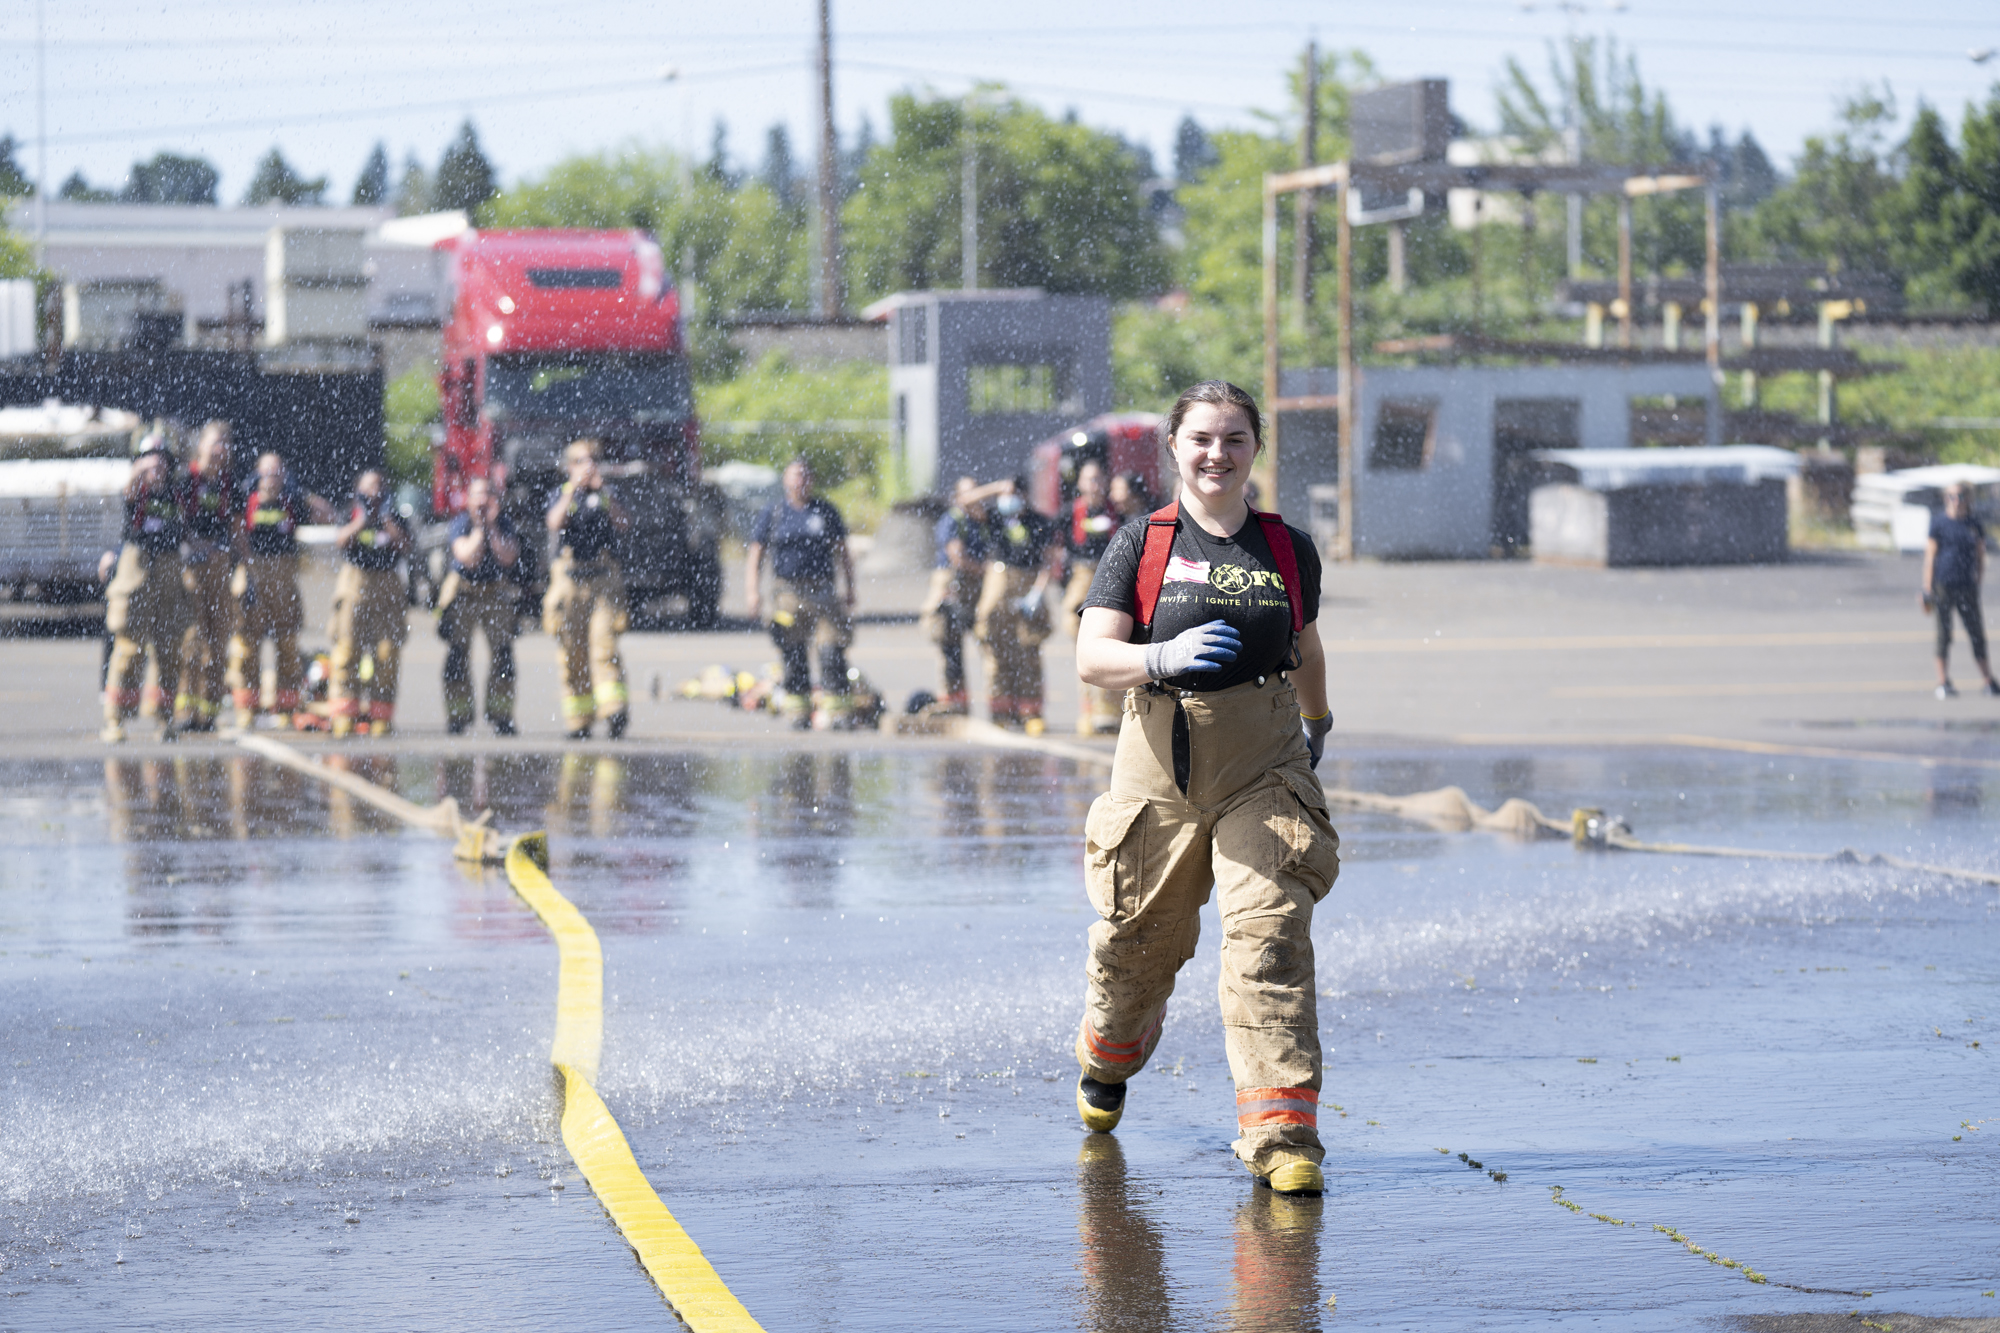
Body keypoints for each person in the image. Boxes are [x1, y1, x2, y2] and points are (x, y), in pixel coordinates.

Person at [1071, 379, 1338, 1199]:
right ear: (1175, 448)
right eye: (1201, 439)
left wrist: (1318, 721)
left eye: (1234, 438)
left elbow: (1306, 644)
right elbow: (1090, 654)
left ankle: (1281, 1133)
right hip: (1158, 761)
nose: (1217, 453)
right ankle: (1109, 1051)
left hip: (1264, 764)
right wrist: (1159, 656)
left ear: (1256, 448)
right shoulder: (1140, 543)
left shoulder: (1288, 547)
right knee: (1139, 940)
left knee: (1268, 933)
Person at [746, 456, 857, 727]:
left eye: (805, 475)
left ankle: (838, 711)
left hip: (823, 591)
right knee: (793, 652)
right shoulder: (774, 513)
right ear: (785, 481)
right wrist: (753, 591)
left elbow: (843, 552)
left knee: (831, 650)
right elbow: (756, 553)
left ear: (812, 480)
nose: (800, 481)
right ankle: (798, 710)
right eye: (795, 475)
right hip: (788, 593)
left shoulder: (825, 511)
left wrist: (850, 586)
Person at [226, 452, 330, 731]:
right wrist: (248, 569)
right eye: (267, 473)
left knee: (287, 642)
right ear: (257, 474)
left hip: (284, 573)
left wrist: (306, 496)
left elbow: (325, 513)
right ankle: (246, 710)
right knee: (247, 644)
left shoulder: (292, 500)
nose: (272, 479)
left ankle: (285, 707)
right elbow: (236, 532)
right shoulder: (244, 497)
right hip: (254, 570)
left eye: (277, 473)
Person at [102, 437, 190, 743]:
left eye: (162, 458)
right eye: (150, 457)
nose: (157, 464)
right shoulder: (135, 490)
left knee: (168, 648)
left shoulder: (177, 492)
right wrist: (142, 467)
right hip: (137, 565)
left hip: (169, 567)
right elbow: (126, 490)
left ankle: (164, 719)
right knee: (129, 647)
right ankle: (115, 719)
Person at [543, 440, 631, 739]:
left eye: (593, 459)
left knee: (603, 644)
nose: (589, 465)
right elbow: (554, 522)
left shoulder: (605, 494)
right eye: (581, 460)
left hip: (602, 578)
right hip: (570, 578)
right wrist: (573, 490)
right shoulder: (562, 493)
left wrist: (602, 491)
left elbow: (622, 523)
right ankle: (580, 720)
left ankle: (615, 710)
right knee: (572, 651)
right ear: (570, 466)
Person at [327, 469, 411, 737]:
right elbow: (341, 540)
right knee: (347, 649)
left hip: (387, 584)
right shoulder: (350, 512)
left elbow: (405, 546)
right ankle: (344, 715)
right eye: (368, 487)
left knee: (387, 653)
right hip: (355, 583)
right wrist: (363, 519)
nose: (374, 492)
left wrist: (385, 517)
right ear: (358, 490)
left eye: (378, 487)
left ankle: (380, 716)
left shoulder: (395, 516)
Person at [973, 479, 1062, 732]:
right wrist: (995, 488)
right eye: (1007, 493)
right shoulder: (995, 517)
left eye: (1014, 493)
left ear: (1024, 495)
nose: (1008, 498)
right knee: (997, 646)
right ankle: (1001, 711)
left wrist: (1036, 593)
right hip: (1000, 577)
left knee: (1029, 647)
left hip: (1029, 580)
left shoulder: (1039, 521)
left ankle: (1030, 711)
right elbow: (963, 502)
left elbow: (1048, 562)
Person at [439, 476, 521, 736]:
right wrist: (479, 527)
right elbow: (468, 558)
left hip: (495, 592)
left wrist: (493, 527)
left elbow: (507, 557)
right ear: (468, 499)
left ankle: (501, 716)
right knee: (457, 657)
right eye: (477, 495)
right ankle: (458, 716)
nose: (482, 500)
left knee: (504, 657)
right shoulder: (460, 523)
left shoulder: (504, 524)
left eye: (487, 494)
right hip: (465, 592)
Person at [920, 476, 1003, 715]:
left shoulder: (982, 521)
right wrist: (996, 486)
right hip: (954, 587)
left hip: (978, 588)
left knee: (989, 641)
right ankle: (955, 705)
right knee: (950, 648)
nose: (974, 497)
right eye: (969, 493)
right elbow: (958, 557)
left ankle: (999, 706)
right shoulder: (952, 520)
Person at [175, 420, 238, 732]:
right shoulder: (187, 479)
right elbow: (178, 522)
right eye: (214, 443)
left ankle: (209, 711)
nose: (219, 449)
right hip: (192, 567)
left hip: (219, 566)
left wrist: (244, 568)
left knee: (218, 638)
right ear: (200, 445)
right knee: (192, 638)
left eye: (224, 444)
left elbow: (236, 525)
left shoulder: (227, 482)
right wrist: (196, 545)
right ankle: (186, 711)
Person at [1063, 459, 1123, 735]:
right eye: (1089, 479)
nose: (1094, 485)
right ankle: (1088, 711)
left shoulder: (1118, 513)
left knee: (1113, 642)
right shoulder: (1069, 514)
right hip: (1082, 575)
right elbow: (1054, 551)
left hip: (1111, 572)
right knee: (1085, 645)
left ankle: (1110, 713)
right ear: (1080, 484)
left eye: (1099, 479)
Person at [1922, 480, 1997, 699]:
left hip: (1967, 586)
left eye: (1960, 496)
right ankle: (1943, 681)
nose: (1956, 501)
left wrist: (1978, 581)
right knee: (1944, 634)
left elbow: (1980, 555)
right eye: (1951, 497)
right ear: (1946, 499)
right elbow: (1930, 557)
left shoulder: (1973, 523)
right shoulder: (1939, 523)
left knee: (1976, 633)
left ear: (1968, 499)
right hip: (1943, 585)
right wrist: (1927, 588)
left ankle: (1987, 680)